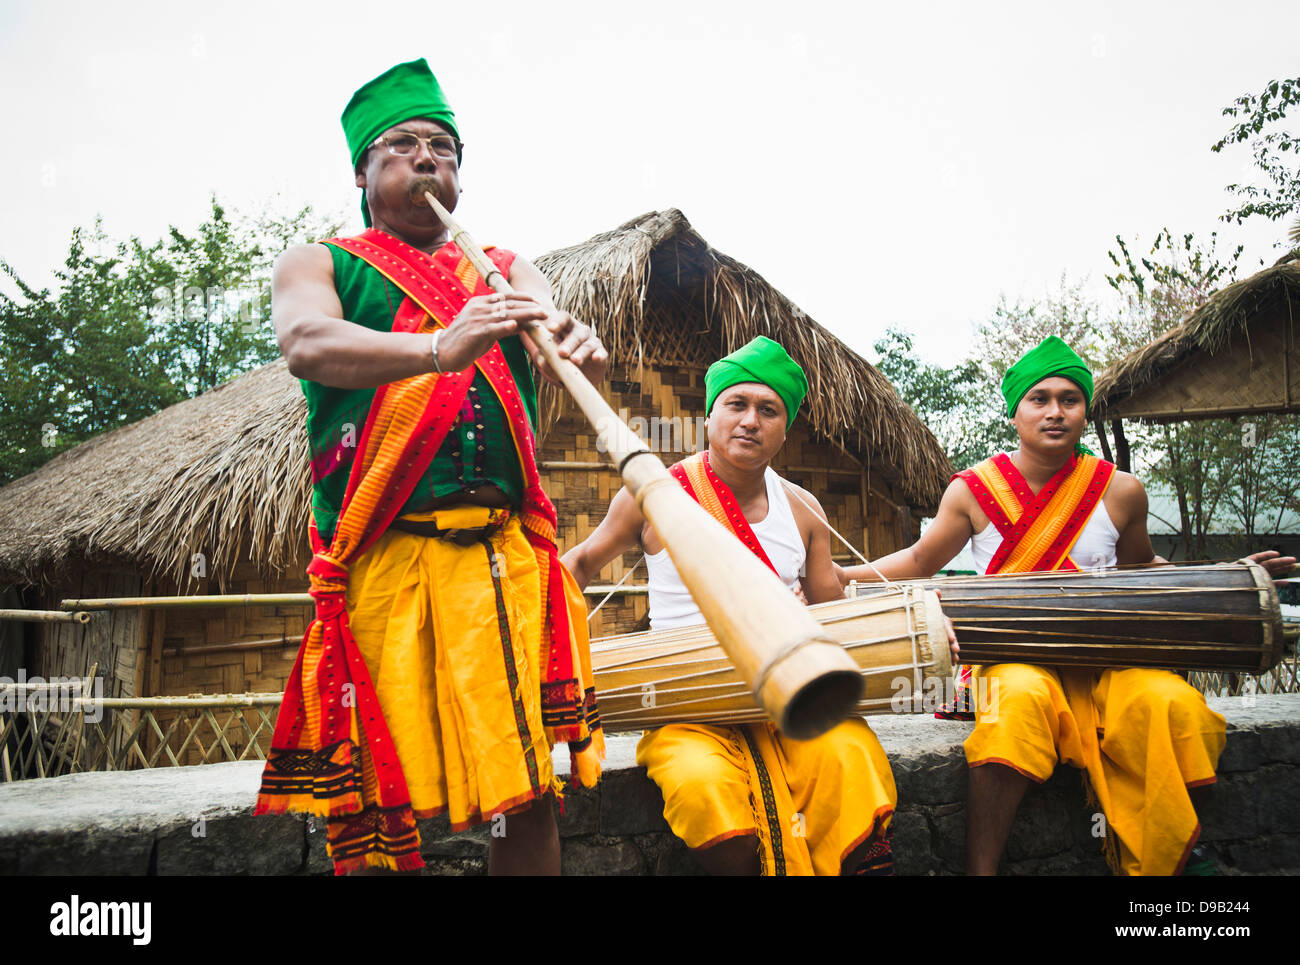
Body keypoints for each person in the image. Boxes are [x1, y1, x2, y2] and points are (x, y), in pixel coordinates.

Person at [254, 59, 608, 875]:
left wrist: (563, 339)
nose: (428, 160)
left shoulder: (502, 265)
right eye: (404, 145)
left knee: (523, 787)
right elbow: (305, 342)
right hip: (385, 561)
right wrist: (438, 348)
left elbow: (545, 314)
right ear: (362, 170)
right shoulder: (320, 263)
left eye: (444, 148)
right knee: (385, 785)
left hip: (499, 559)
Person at [837, 335, 1295, 875]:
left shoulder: (1121, 490)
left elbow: (1140, 569)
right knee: (1019, 702)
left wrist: (1226, 576)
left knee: (1164, 698)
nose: (1055, 411)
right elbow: (919, 559)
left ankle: (1174, 854)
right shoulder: (973, 490)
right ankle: (982, 869)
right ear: (1015, 413)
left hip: (1109, 655)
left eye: (1070, 400)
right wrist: (844, 575)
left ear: (1084, 411)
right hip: (1010, 654)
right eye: (1039, 399)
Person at [563, 336, 897, 875]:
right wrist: (540, 628)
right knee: (701, 789)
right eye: (736, 405)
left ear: (784, 430)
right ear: (710, 414)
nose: (750, 421)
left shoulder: (802, 510)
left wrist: (914, 623)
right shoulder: (653, 494)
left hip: (789, 699)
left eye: (769, 411)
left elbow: (832, 606)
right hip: (687, 702)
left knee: (850, 758)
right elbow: (578, 565)